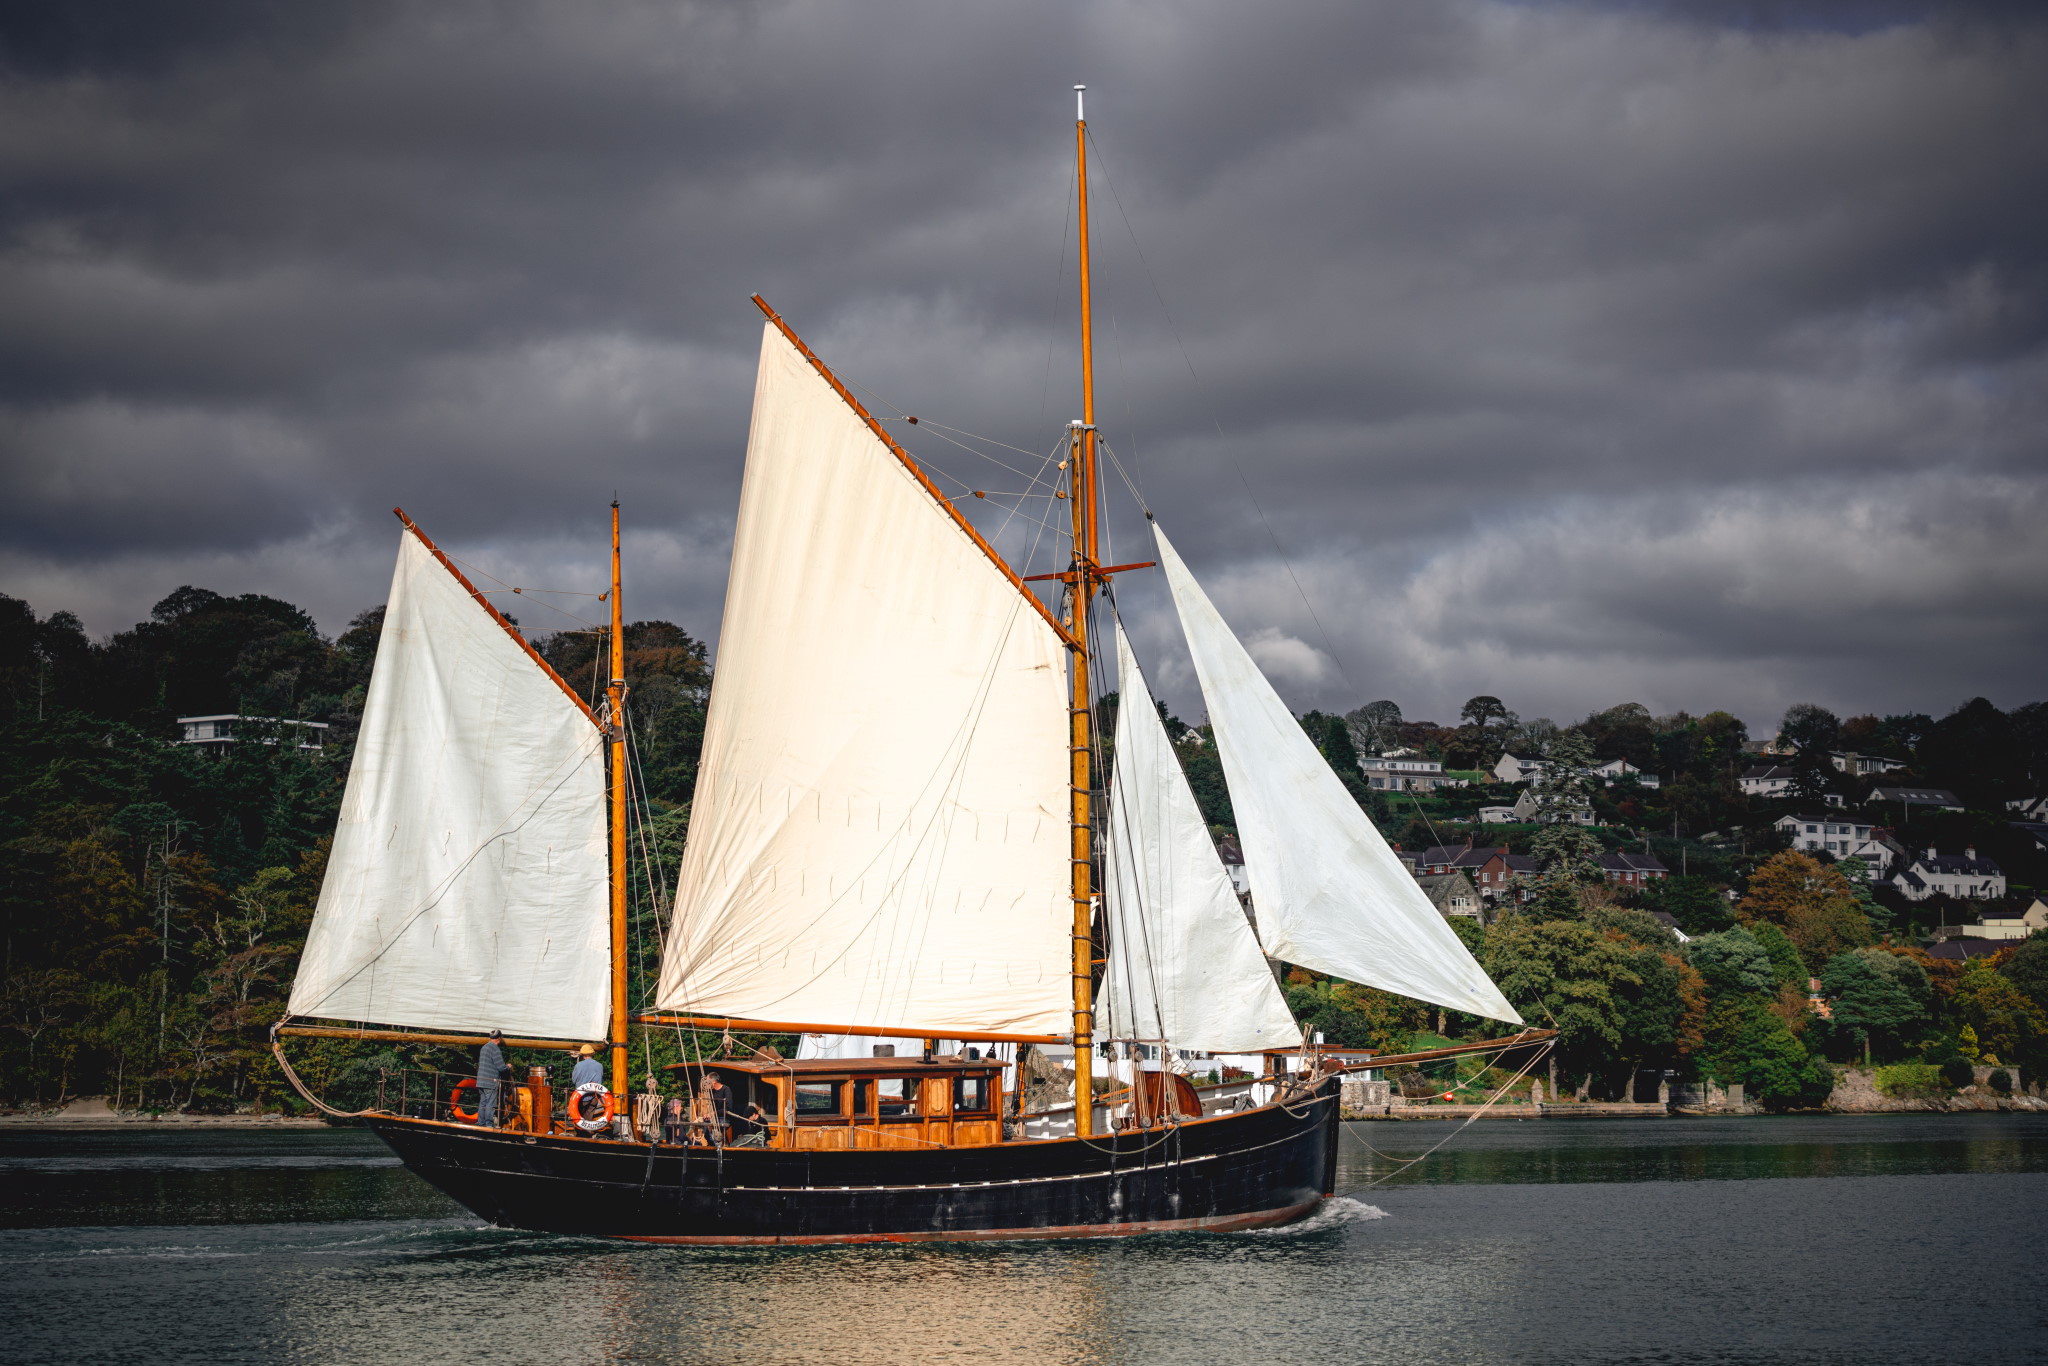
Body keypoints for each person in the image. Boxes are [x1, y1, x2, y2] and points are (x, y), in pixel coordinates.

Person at [475, 1029, 510, 1128]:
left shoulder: (484, 1047)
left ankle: (481, 1124)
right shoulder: (495, 1049)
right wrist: (508, 1067)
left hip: (480, 1081)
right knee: (490, 1104)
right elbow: (501, 1067)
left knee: (483, 1103)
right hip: (490, 1082)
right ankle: (489, 1125)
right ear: (499, 1039)